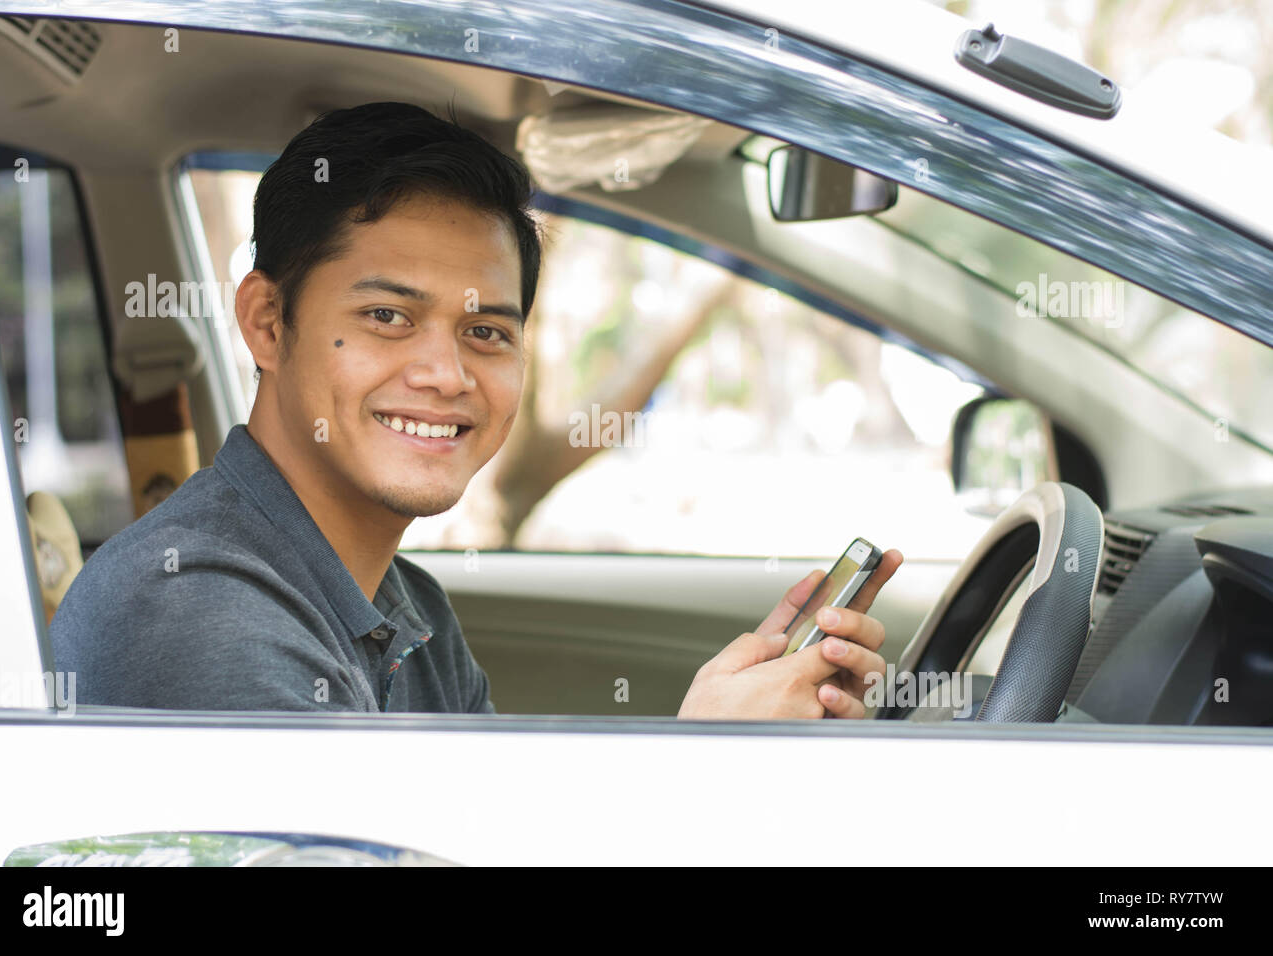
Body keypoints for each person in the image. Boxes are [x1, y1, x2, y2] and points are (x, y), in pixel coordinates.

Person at [51, 101, 903, 718]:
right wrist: (699, 784)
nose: (447, 373)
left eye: (487, 330)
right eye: (387, 317)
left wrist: (707, 739)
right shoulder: (193, 609)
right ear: (269, 324)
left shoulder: (403, 602)